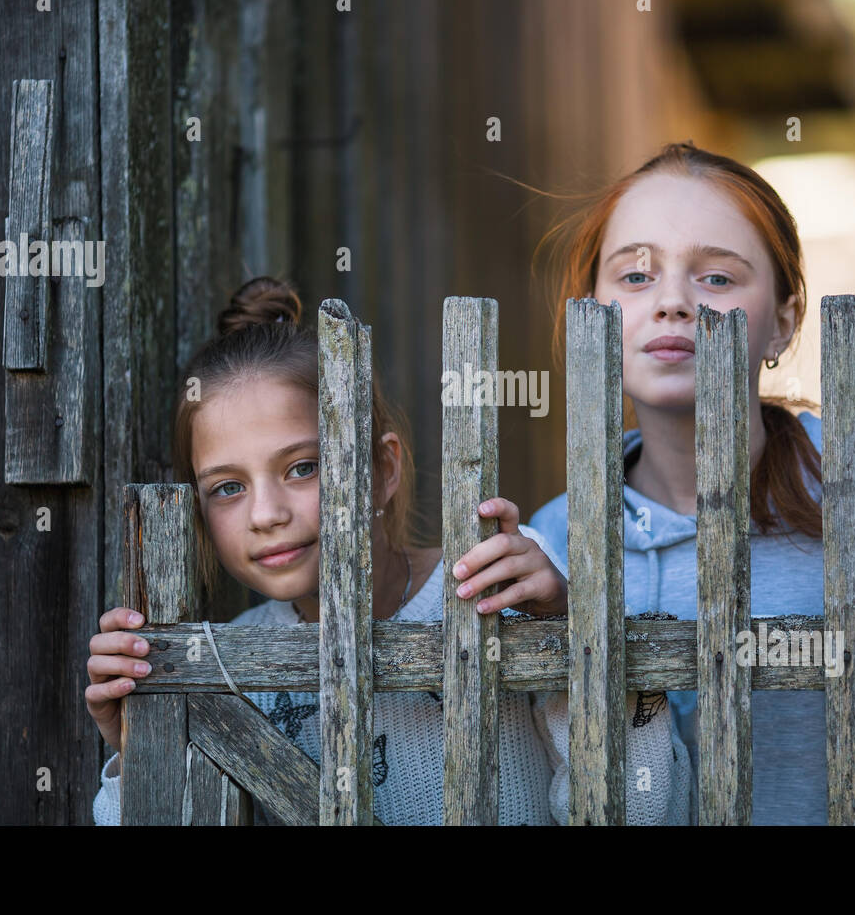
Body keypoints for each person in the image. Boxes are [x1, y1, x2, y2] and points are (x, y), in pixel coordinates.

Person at [507, 141, 855, 824]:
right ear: (590, 314)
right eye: (635, 275)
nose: (672, 302)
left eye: (716, 277)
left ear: (783, 323)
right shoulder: (554, 542)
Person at [84, 276, 691, 825]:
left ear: (383, 470)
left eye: (302, 468)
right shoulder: (224, 668)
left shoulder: (499, 587)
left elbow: (639, 810)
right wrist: (147, 749)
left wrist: (574, 633)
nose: (266, 514)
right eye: (228, 488)